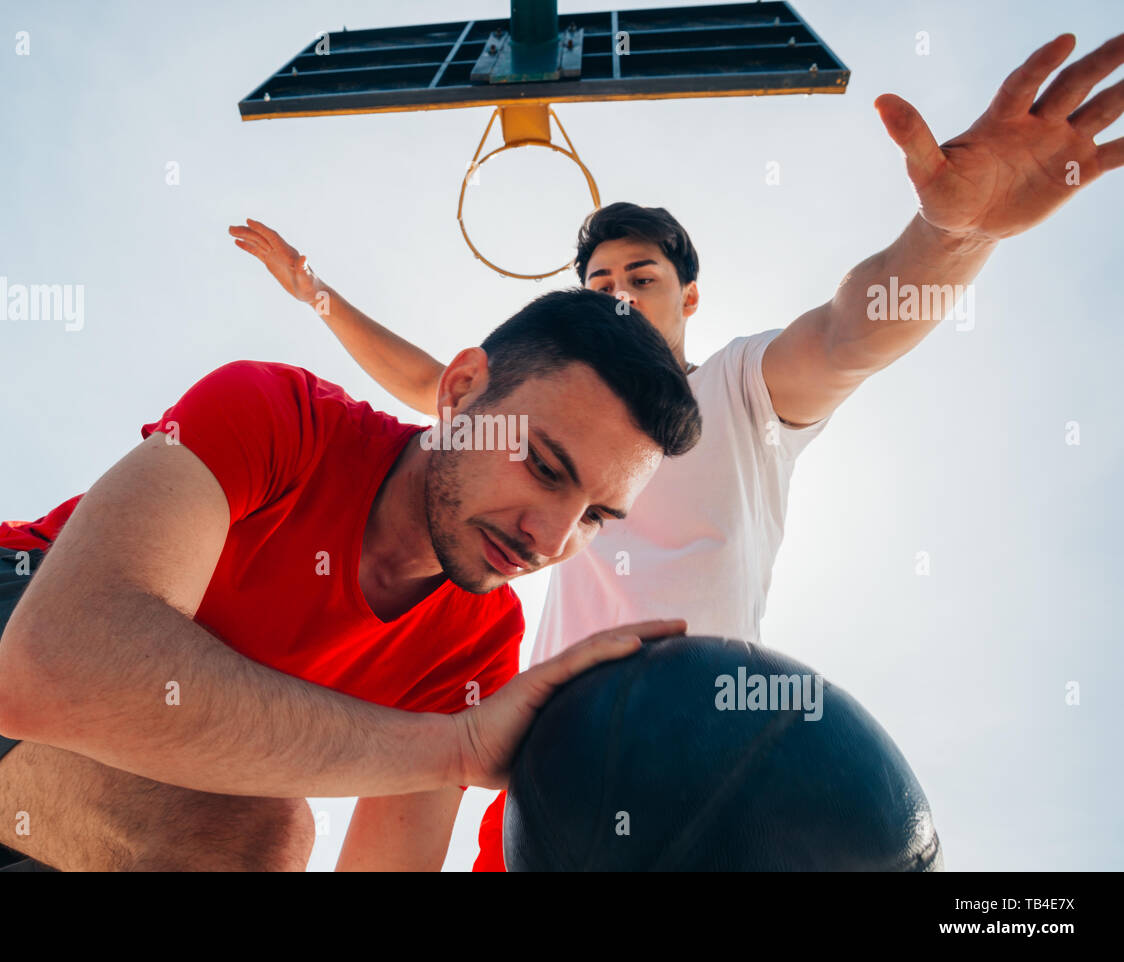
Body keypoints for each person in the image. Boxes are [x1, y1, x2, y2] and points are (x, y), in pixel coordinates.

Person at [229, 31, 1124, 870]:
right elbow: (431, 378)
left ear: (689, 299)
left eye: (641, 279)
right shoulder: (542, 416)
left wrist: (957, 233)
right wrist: (318, 296)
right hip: (554, 765)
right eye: (599, 282)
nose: (617, 293)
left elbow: (855, 328)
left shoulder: (739, 387)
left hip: (702, 757)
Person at [0, 289, 701, 871]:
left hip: (143, 777)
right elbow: (56, 669)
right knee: (259, 841)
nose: (552, 538)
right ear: (459, 391)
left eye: (595, 517)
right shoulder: (280, 415)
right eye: (543, 465)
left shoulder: (477, 648)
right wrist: (453, 749)